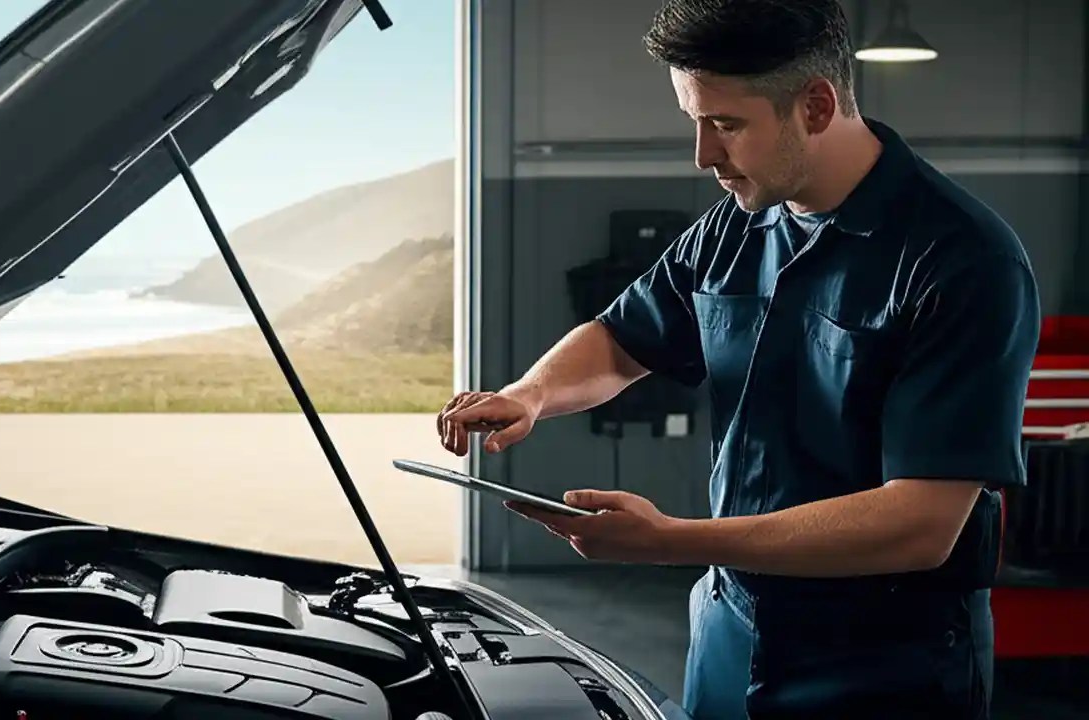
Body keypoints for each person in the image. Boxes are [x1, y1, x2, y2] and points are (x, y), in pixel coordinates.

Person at [437, 1, 1040, 718]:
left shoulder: (964, 260)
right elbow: (624, 336)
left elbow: (921, 523)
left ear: (816, 105)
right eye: (695, 121)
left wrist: (670, 542)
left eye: (725, 124)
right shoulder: (736, 222)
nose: (702, 155)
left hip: (885, 666)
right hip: (730, 630)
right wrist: (531, 393)